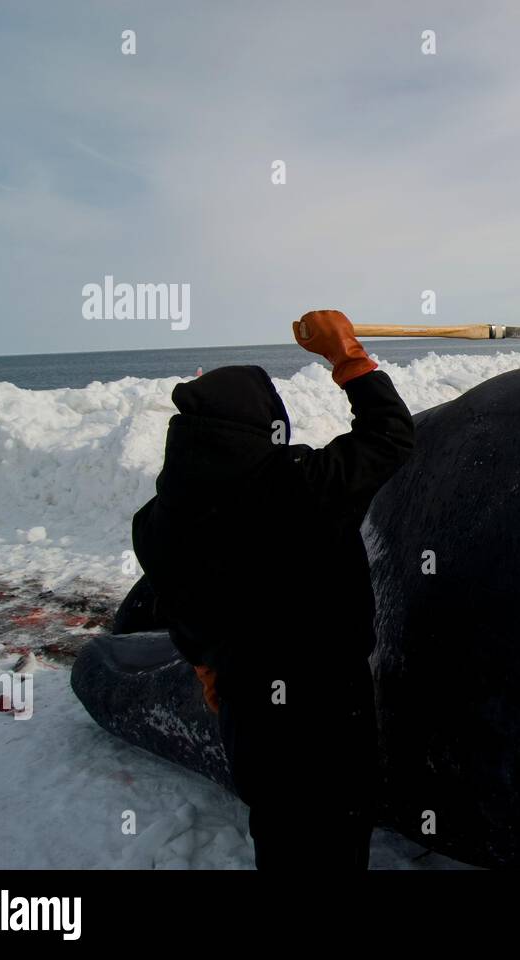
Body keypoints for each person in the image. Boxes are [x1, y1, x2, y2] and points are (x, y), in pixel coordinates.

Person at [131, 309, 414, 869]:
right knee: (339, 825)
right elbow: (390, 437)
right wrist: (348, 360)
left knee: (280, 828)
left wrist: (205, 663)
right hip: (327, 703)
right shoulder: (298, 487)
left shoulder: (155, 521)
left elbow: (178, 602)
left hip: (248, 708)